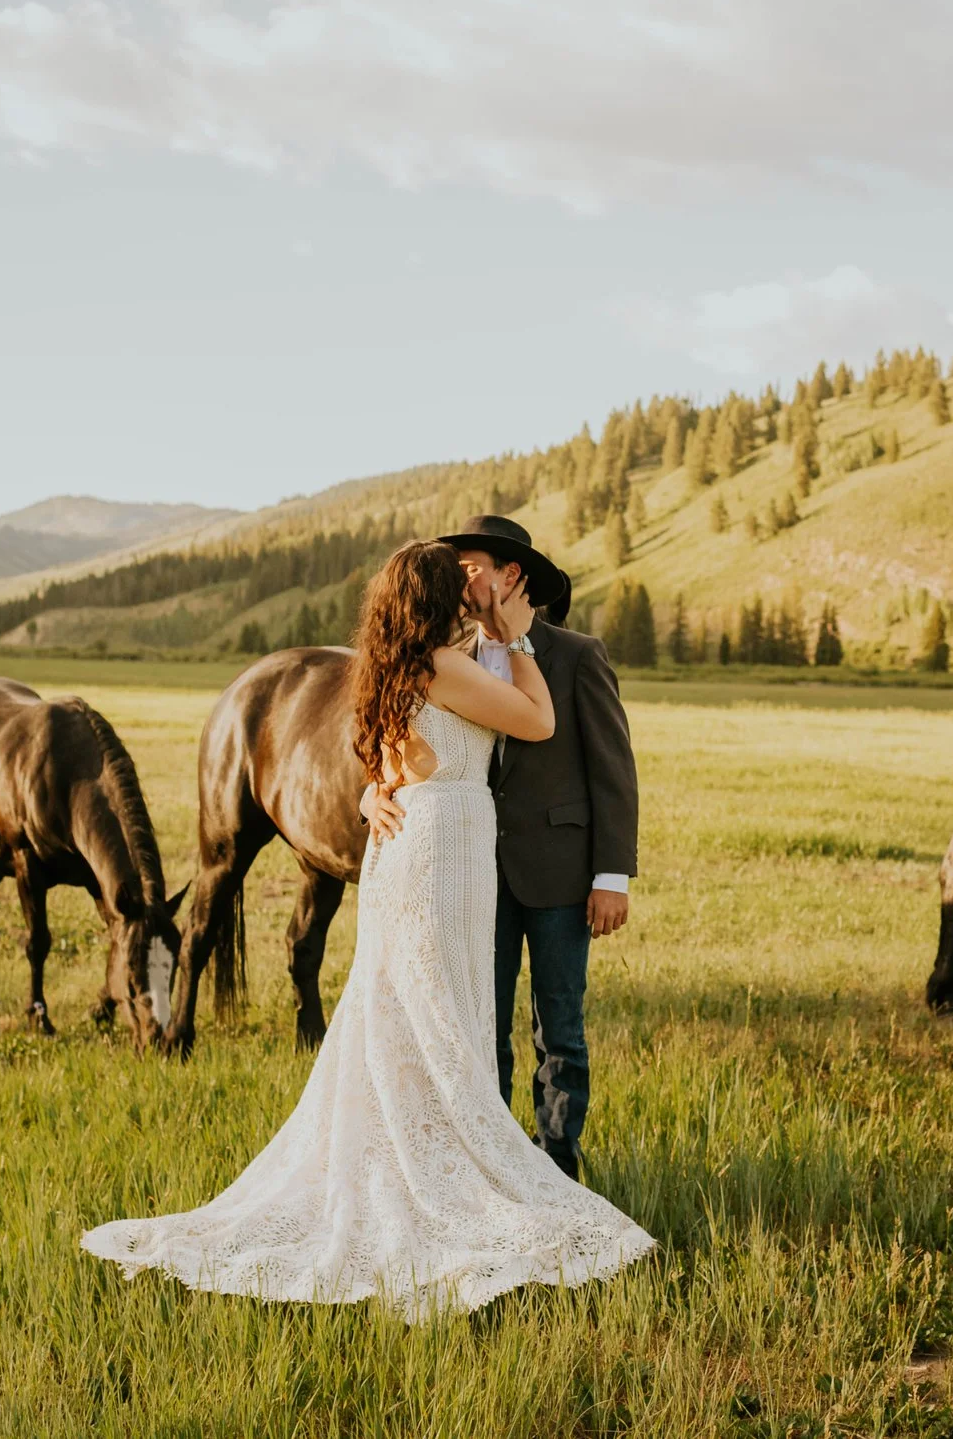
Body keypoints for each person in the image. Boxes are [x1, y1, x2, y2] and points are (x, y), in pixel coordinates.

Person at [80, 539, 653, 1317]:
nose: (469, 592)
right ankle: (452, 1172)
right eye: (455, 586)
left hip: (421, 853)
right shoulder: (444, 667)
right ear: (431, 599)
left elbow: (383, 765)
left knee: (413, 1015)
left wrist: (372, 793)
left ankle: (432, 1155)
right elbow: (537, 720)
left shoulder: (394, 666)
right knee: (440, 1017)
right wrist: (515, 639)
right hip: (442, 856)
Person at [362, 513, 639, 1181]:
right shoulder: (442, 652)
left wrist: (613, 875)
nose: (460, 581)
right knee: (478, 1029)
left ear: (510, 575)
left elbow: (613, 768)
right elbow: (402, 745)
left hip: (559, 872)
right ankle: (495, 1166)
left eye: (470, 567)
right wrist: (371, 794)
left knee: (560, 1032)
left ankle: (560, 1169)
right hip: (464, 876)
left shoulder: (575, 654)